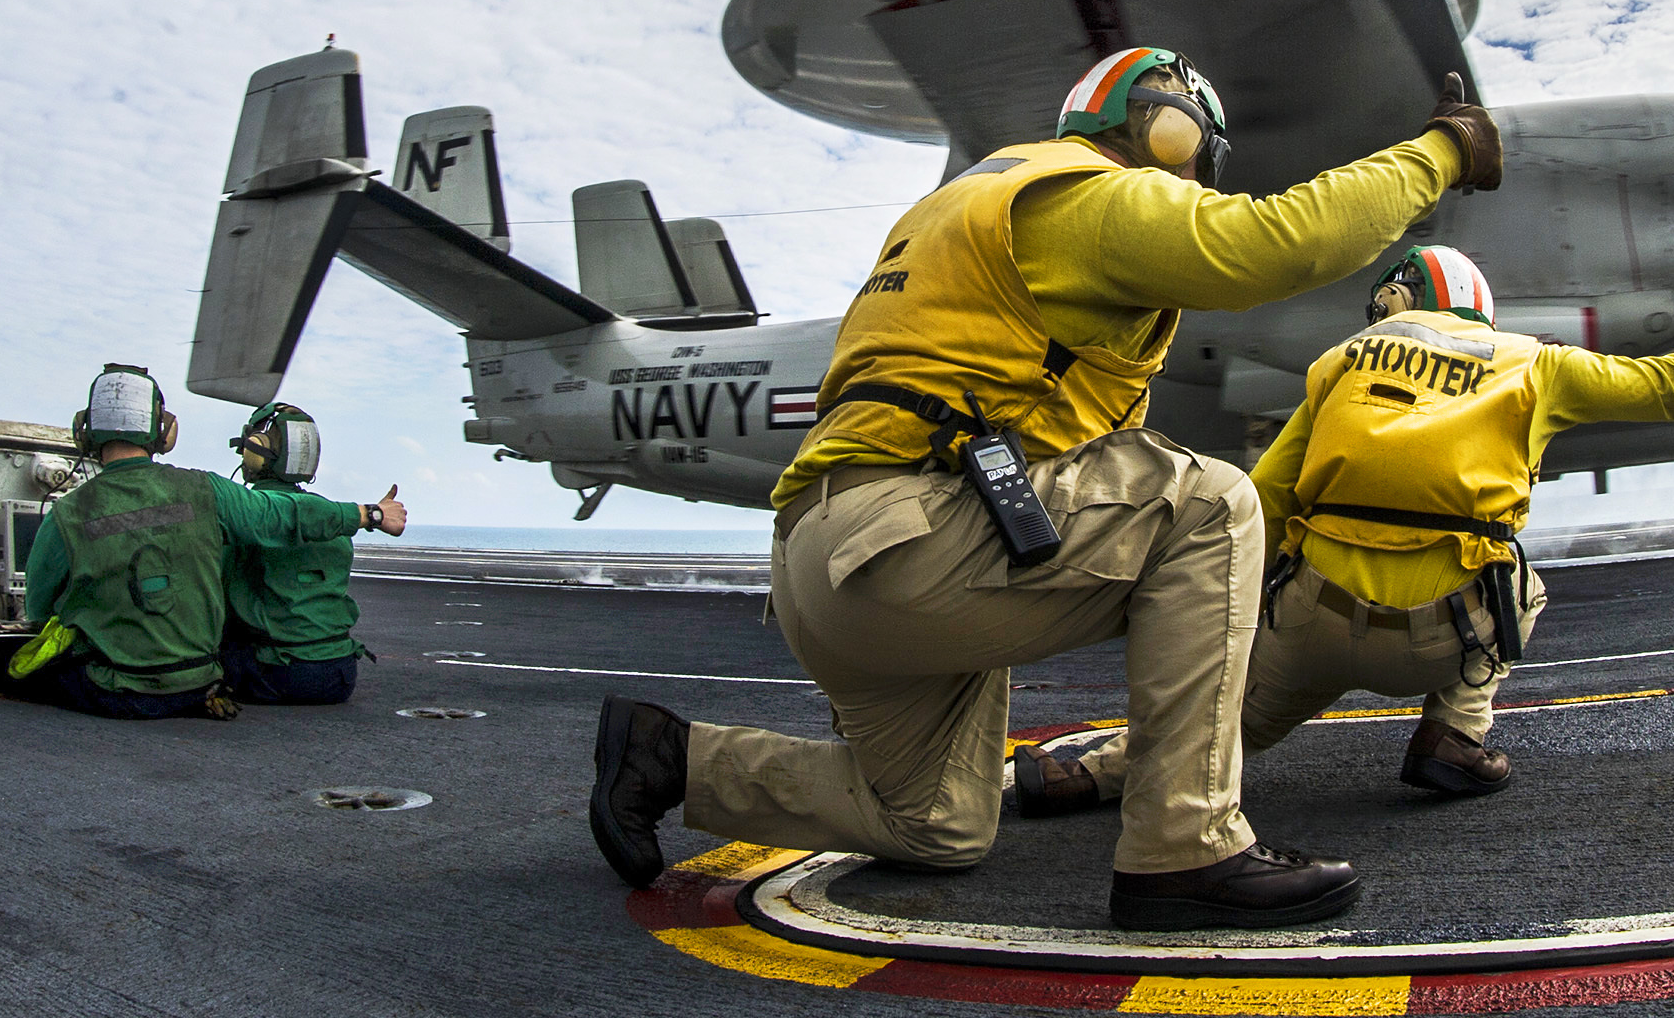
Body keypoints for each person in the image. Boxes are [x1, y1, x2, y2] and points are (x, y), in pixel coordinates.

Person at [587, 48, 1505, 931]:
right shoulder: (1084, 192)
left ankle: (677, 758)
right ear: (1168, 132)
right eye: (1198, 153)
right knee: (1215, 507)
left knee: (933, 823)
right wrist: (1442, 150)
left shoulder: (969, 201)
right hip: (917, 544)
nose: (1197, 180)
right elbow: (1277, 245)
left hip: (830, 562)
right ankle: (1184, 849)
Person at [1021, 246, 1674, 813]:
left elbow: (1260, 500)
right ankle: (1456, 736)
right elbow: (1665, 382)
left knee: (1218, 730)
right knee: (1522, 583)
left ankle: (1081, 776)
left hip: (1312, 618)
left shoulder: (1337, 361)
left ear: (1397, 298)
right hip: (1446, 624)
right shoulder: (1536, 361)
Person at [0, 364, 407, 719]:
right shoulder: (210, 492)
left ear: (85, 432)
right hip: (198, 683)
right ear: (164, 432)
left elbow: (41, 611)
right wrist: (368, 513)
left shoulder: (68, 516)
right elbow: (281, 521)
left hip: (117, 690)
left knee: (0, 660)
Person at [219, 402, 367, 705]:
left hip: (276, 673)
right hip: (340, 674)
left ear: (257, 450)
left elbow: (216, 595)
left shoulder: (249, 518)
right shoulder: (333, 518)